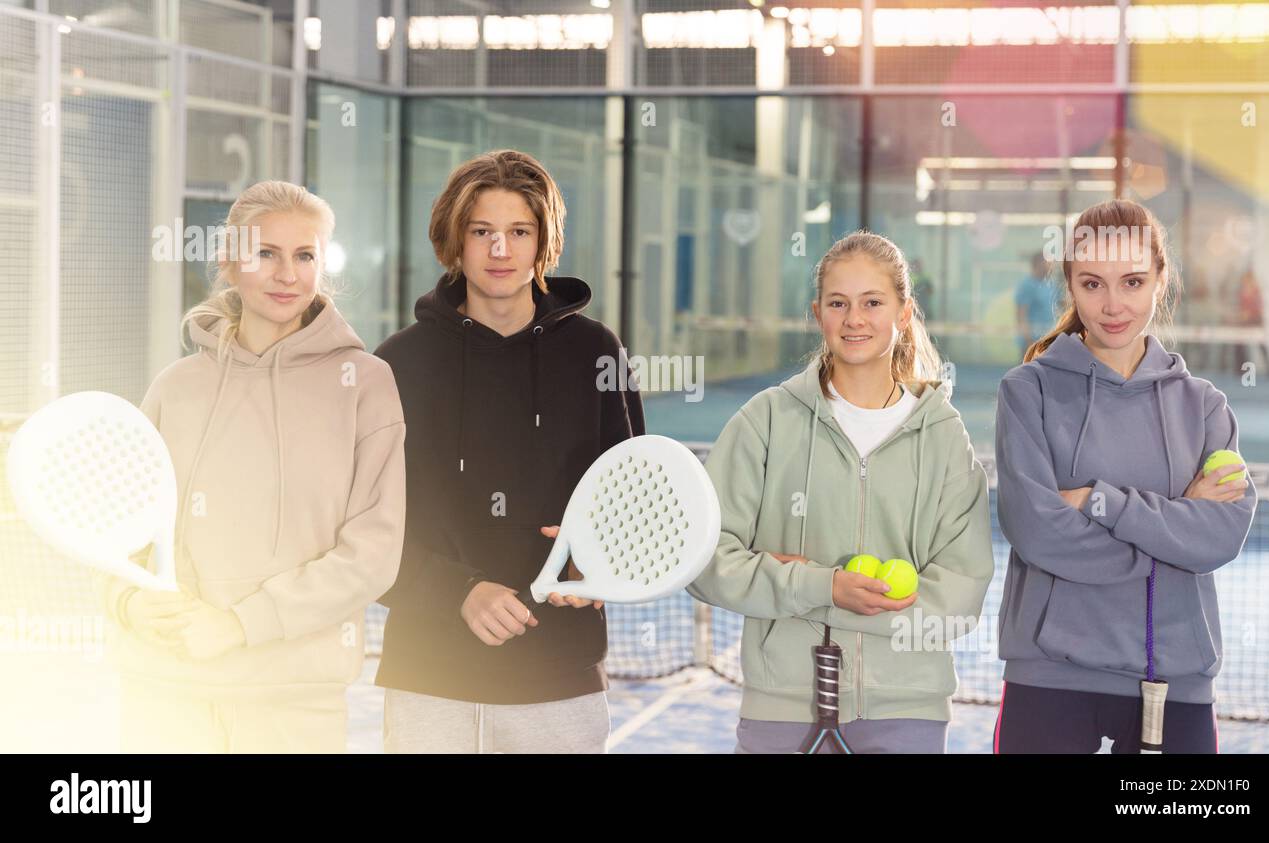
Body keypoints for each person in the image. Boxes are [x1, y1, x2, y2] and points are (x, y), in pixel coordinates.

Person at [104, 180, 407, 753]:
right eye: (265, 254)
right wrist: (132, 602)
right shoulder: (176, 387)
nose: (286, 274)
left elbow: (373, 554)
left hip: (293, 704)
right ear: (229, 263)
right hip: (165, 697)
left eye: (304, 256)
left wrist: (239, 626)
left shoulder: (365, 384)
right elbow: (122, 537)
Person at [374, 149, 644, 753]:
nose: (501, 251)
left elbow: (631, 502)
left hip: (560, 683)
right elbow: (370, 526)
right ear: (455, 240)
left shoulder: (596, 351)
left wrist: (594, 565)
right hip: (430, 681)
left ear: (542, 242)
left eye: (518, 232)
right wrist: (459, 592)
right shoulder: (397, 364)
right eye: (482, 232)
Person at [688, 230, 994, 753]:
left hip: (908, 709)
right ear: (817, 313)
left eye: (873, 302)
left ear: (903, 312)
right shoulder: (764, 420)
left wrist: (807, 593)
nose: (855, 319)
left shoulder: (943, 433)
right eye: (838, 303)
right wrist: (822, 586)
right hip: (781, 708)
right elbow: (704, 561)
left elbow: (960, 595)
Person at [994, 199, 1257, 753]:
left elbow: (1219, 536)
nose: (1113, 305)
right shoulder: (1028, 392)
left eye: (1132, 281)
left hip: (1175, 679)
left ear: (1160, 281)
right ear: (1070, 283)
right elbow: (1035, 528)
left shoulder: (1206, 408)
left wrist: (1099, 502)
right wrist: (1167, 544)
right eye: (1092, 284)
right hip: (1049, 677)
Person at [1015, 253, 1058, 359]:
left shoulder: (1050, 284)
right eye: (1048, 263)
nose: (1051, 265)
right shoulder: (1027, 285)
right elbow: (1021, 315)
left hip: (1048, 342)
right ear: (1039, 264)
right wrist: (1029, 342)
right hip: (1031, 343)